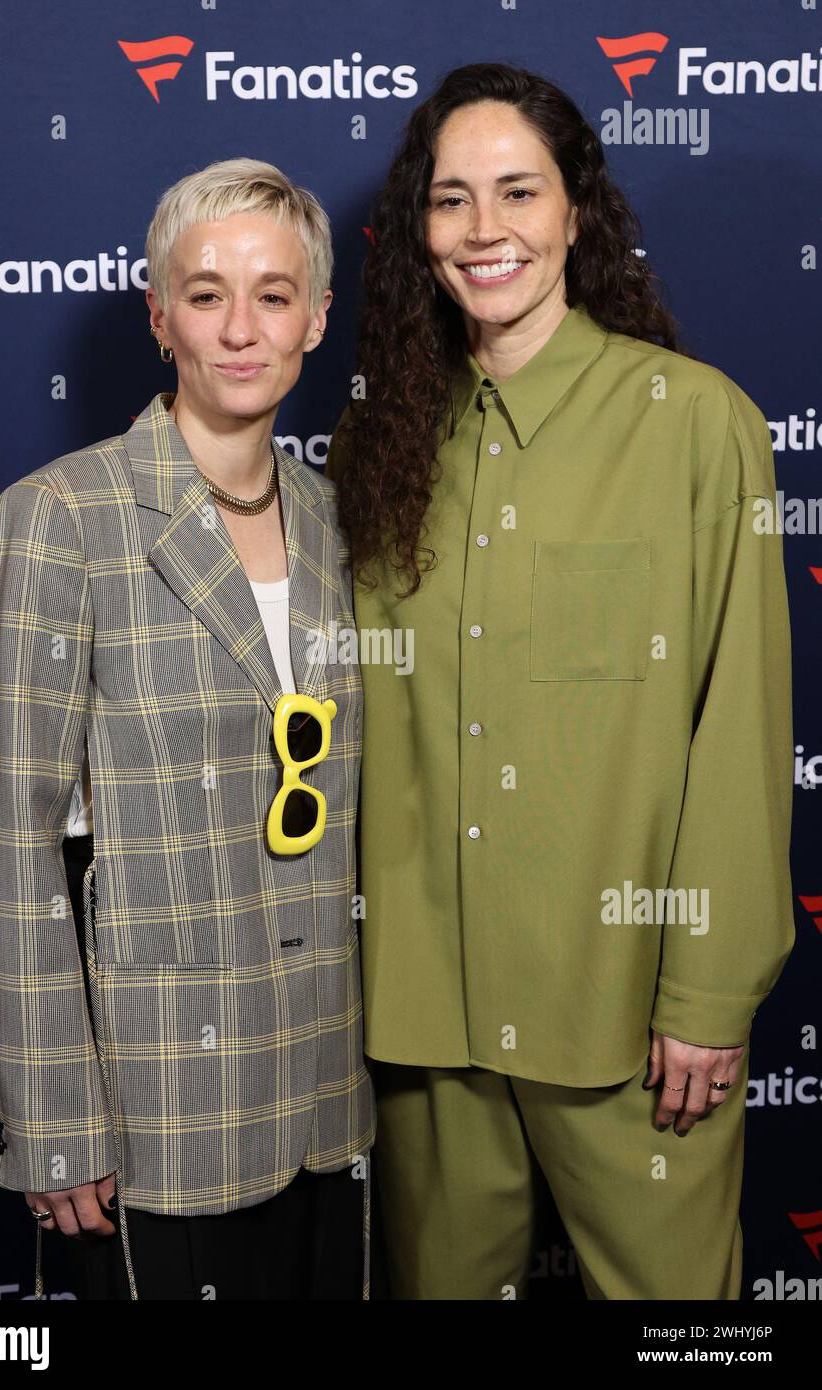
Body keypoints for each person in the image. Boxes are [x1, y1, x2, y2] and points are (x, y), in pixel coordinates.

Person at [325, 63, 794, 1300]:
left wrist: (707, 988)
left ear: (576, 212)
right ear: (416, 231)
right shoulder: (382, 445)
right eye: (451, 199)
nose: (485, 231)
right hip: (424, 1018)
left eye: (518, 191)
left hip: (626, 1011)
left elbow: (736, 729)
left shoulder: (696, 423)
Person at [0, 158, 373, 1300]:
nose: (241, 328)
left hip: (327, 1089)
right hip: (151, 1107)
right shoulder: (57, 521)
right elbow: (10, 842)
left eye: (275, 294)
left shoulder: (345, 525)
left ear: (317, 319)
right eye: (206, 293)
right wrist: (50, 1116)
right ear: (159, 316)